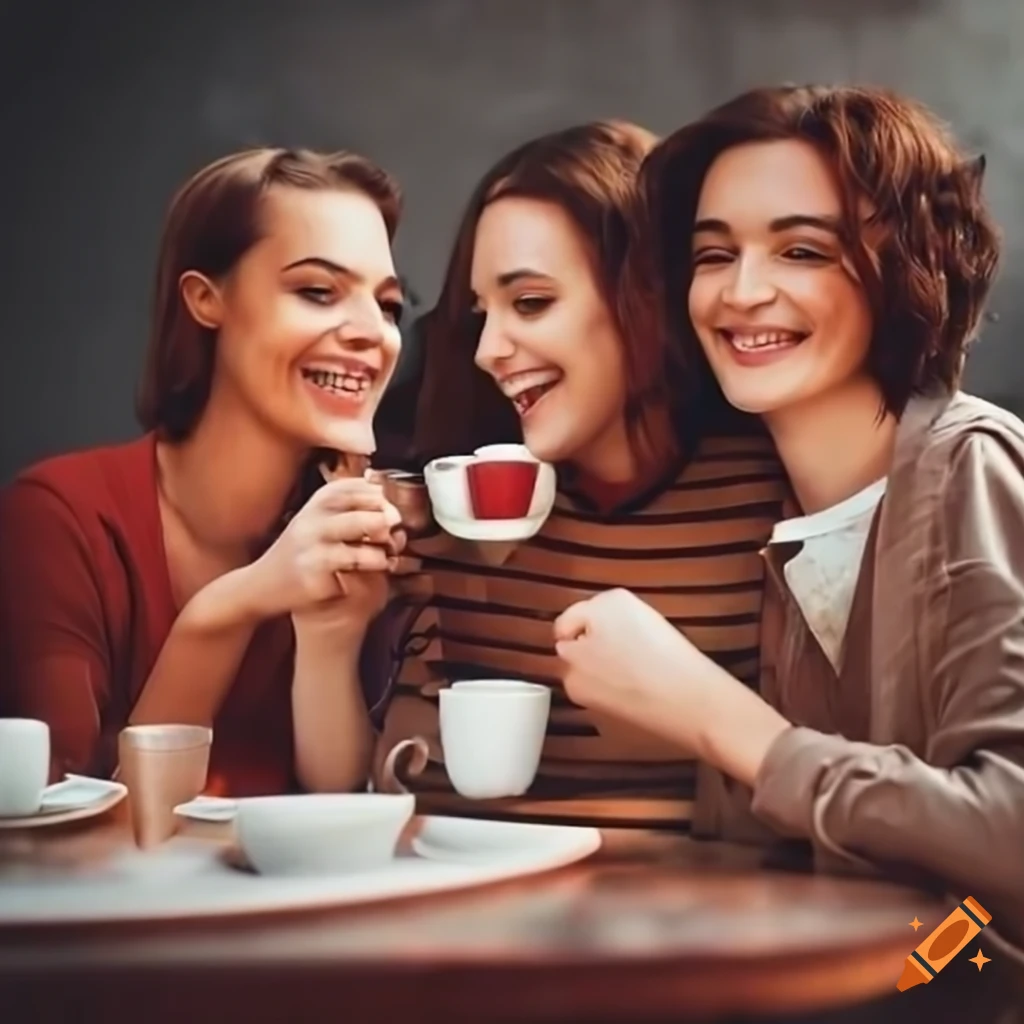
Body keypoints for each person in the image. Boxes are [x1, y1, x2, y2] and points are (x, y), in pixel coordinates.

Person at [553, 86, 1024, 939]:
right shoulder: (767, 519)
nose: (742, 292)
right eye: (712, 254)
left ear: (909, 265)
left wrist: (718, 721)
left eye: (802, 251)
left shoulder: (971, 467)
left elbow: (1009, 841)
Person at [376, 121, 789, 830]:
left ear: (646, 297)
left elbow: (838, 784)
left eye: (531, 302)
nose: (488, 350)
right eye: (480, 313)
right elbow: (399, 778)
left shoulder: (778, 500)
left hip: (710, 913)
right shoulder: (461, 505)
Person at [0, 147, 409, 796]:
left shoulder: (352, 535)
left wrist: (330, 640)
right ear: (205, 299)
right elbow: (62, 831)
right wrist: (228, 608)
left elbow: (335, 815)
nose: (372, 333)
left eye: (389, 306)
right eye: (317, 291)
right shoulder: (58, 516)